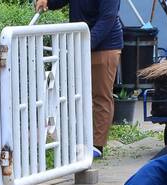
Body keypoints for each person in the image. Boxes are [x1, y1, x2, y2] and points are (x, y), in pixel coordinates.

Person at [35, 0, 123, 157]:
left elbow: (108, 18)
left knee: (100, 95)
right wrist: (47, 1)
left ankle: (97, 146)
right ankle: (82, 140)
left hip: (104, 47)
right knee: (80, 96)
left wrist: (86, 43)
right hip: (81, 43)